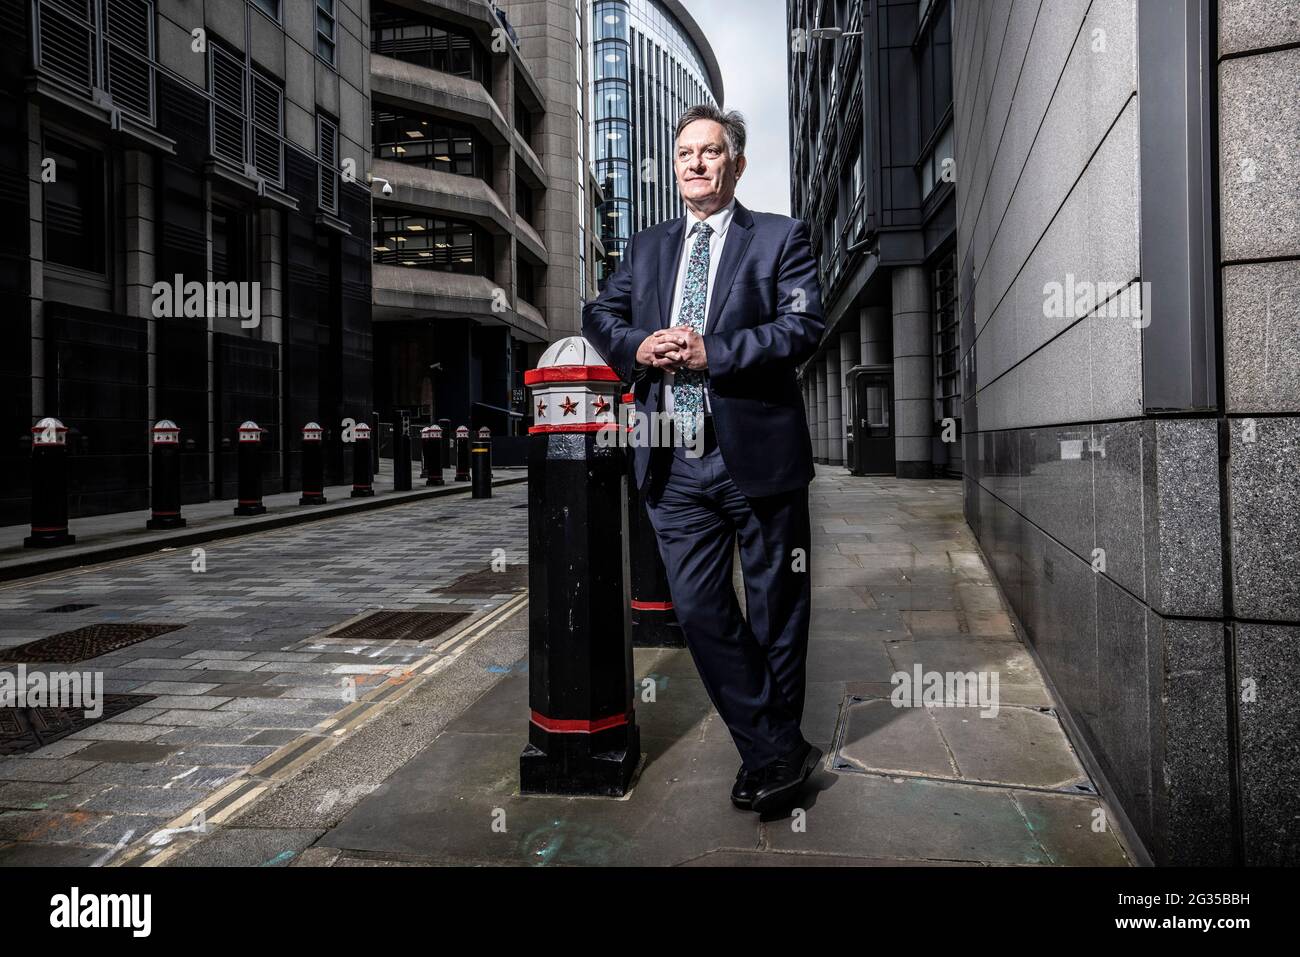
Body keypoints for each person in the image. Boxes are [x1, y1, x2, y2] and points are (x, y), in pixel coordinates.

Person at [582, 104, 826, 813]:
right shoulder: (649, 246)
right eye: (685, 152)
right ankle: (779, 746)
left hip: (755, 455)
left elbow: (803, 324)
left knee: (777, 612)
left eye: (709, 152)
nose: (693, 162)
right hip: (672, 461)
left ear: (735, 163)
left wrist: (714, 351)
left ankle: (768, 759)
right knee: (698, 608)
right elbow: (602, 312)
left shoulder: (780, 238)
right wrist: (637, 346)